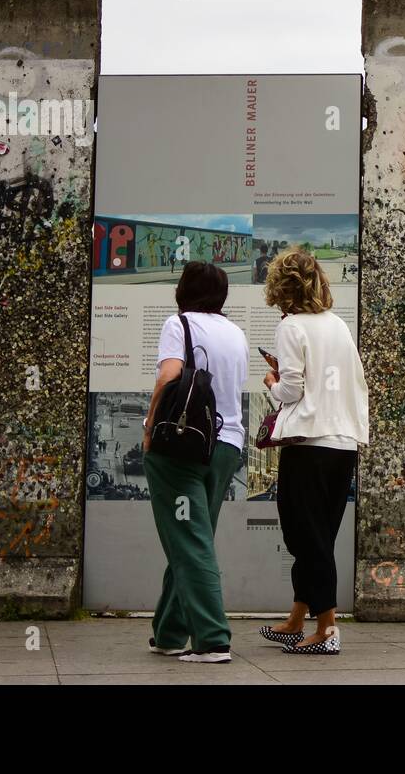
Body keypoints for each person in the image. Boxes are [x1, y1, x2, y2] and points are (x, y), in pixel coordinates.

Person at [257, 248, 368, 656]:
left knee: (305, 537)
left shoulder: (291, 327)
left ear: (280, 287)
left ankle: (327, 629)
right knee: (317, 535)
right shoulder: (337, 325)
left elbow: (291, 391)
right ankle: (297, 618)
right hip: (342, 443)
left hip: (308, 445)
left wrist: (270, 380)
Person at [141, 261, 248, 664]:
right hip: (225, 448)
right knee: (191, 539)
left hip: (182, 448)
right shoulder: (235, 332)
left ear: (183, 290)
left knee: (189, 541)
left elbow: (170, 375)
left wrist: (151, 425)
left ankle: (213, 640)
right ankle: (169, 633)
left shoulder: (179, 324)